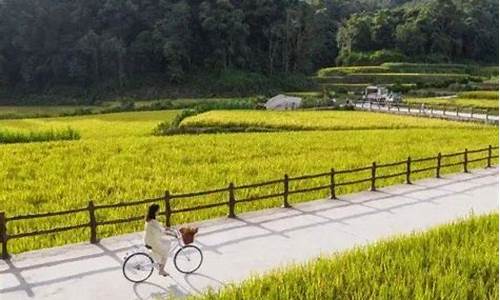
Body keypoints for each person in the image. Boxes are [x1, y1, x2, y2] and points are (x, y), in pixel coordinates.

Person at [144, 204, 175, 276]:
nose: (159, 211)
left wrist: (164, 228)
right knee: (165, 254)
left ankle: (159, 261)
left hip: (148, 239)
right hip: (153, 242)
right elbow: (160, 231)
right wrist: (170, 233)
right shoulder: (153, 221)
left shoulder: (148, 219)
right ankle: (161, 270)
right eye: (158, 210)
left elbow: (158, 227)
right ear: (155, 211)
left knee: (167, 242)